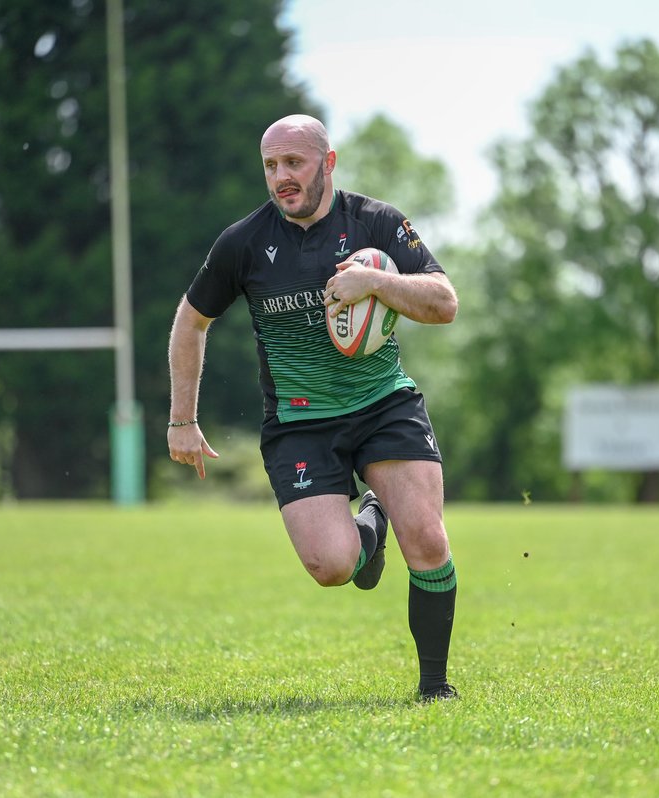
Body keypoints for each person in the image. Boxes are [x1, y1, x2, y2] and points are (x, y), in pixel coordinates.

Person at [166, 114, 460, 702]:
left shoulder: (377, 222)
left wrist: (376, 285)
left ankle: (434, 687)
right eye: (271, 166)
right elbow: (190, 322)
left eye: (294, 164)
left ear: (327, 163)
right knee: (332, 565)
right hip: (300, 423)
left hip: (383, 405)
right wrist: (183, 418)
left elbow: (444, 301)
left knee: (427, 539)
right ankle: (369, 527)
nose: (281, 178)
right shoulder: (243, 242)